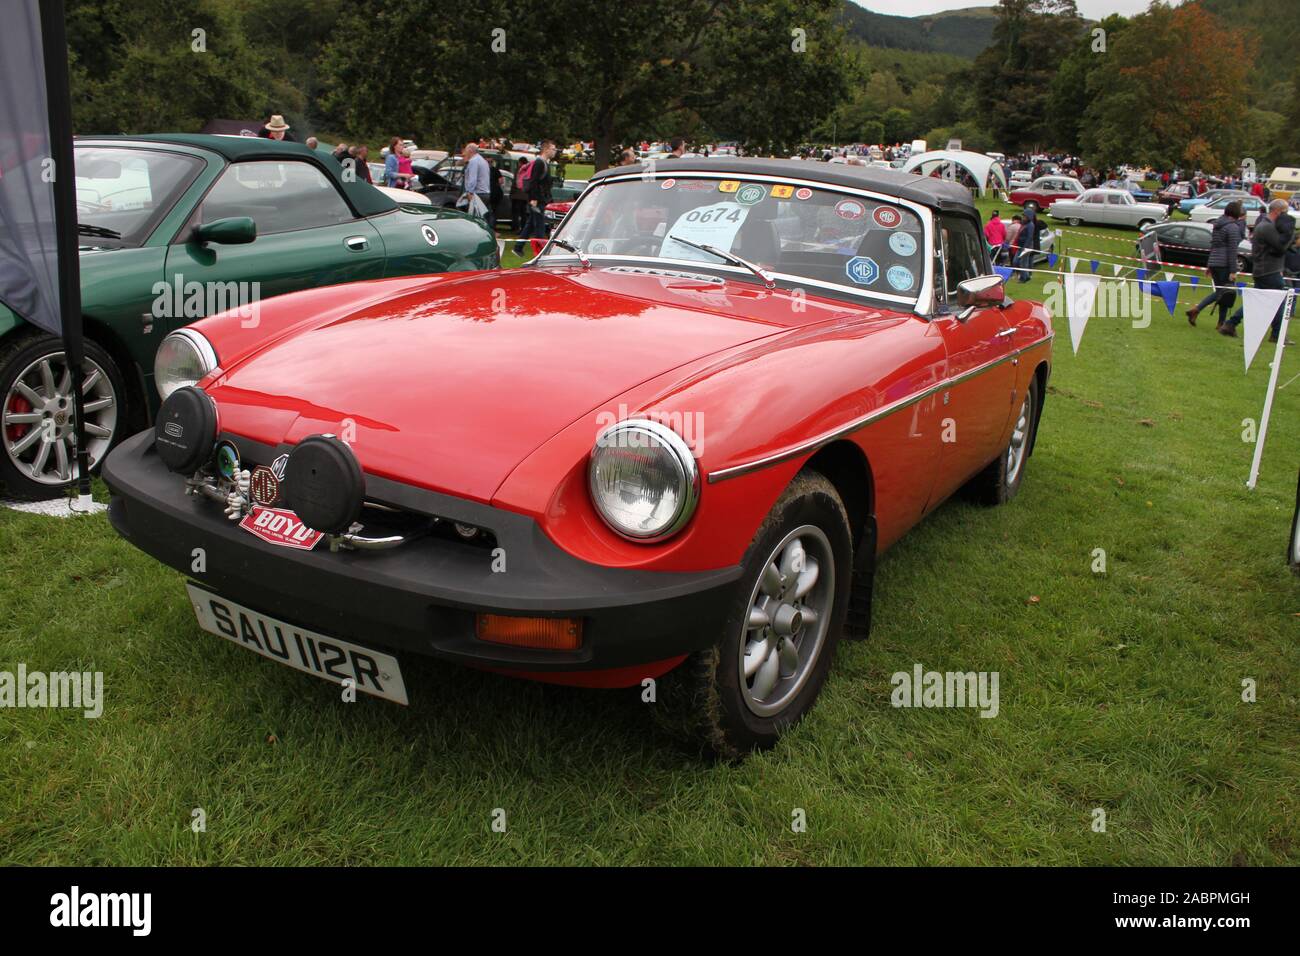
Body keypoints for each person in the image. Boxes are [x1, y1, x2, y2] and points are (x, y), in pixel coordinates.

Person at [1223, 199, 1296, 341]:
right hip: (1269, 270)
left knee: (1256, 302)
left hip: (1265, 269)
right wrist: (1290, 232)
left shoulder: (1265, 226)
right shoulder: (1267, 227)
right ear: (1278, 211)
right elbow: (1280, 246)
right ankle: (1277, 334)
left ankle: (1231, 323)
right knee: (1279, 301)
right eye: (1285, 212)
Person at [1186, 200, 1247, 330]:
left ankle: (1219, 322)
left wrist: (1209, 265)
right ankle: (1198, 311)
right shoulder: (1233, 227)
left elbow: (1213, 246)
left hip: (1215, 261)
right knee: (1225, 292)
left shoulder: (1218, 225)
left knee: (1222, 293)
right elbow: (1232, 249)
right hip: (1224, 263)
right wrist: (1233, 270)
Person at [512, 140, 556, 256]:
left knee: (531, 224)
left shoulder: (544, 163)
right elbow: (533, 181)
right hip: (537, 200)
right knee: (539, 226)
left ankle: (518, 247)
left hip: (540, 199)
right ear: (546, 149)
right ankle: (541, 252)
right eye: (553, 149)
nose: (554, 151)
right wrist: (534, 199)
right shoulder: (539, 163)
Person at [461, 143, 493, 228]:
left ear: (470, 151)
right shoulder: (483, 161)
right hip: (485, 193)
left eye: (466, 150)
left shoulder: (473, 161)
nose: (465, 152)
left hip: (477, 193)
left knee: (475, 219)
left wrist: (469, 192)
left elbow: (472, 178)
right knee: (482, 217)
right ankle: (490, 233)